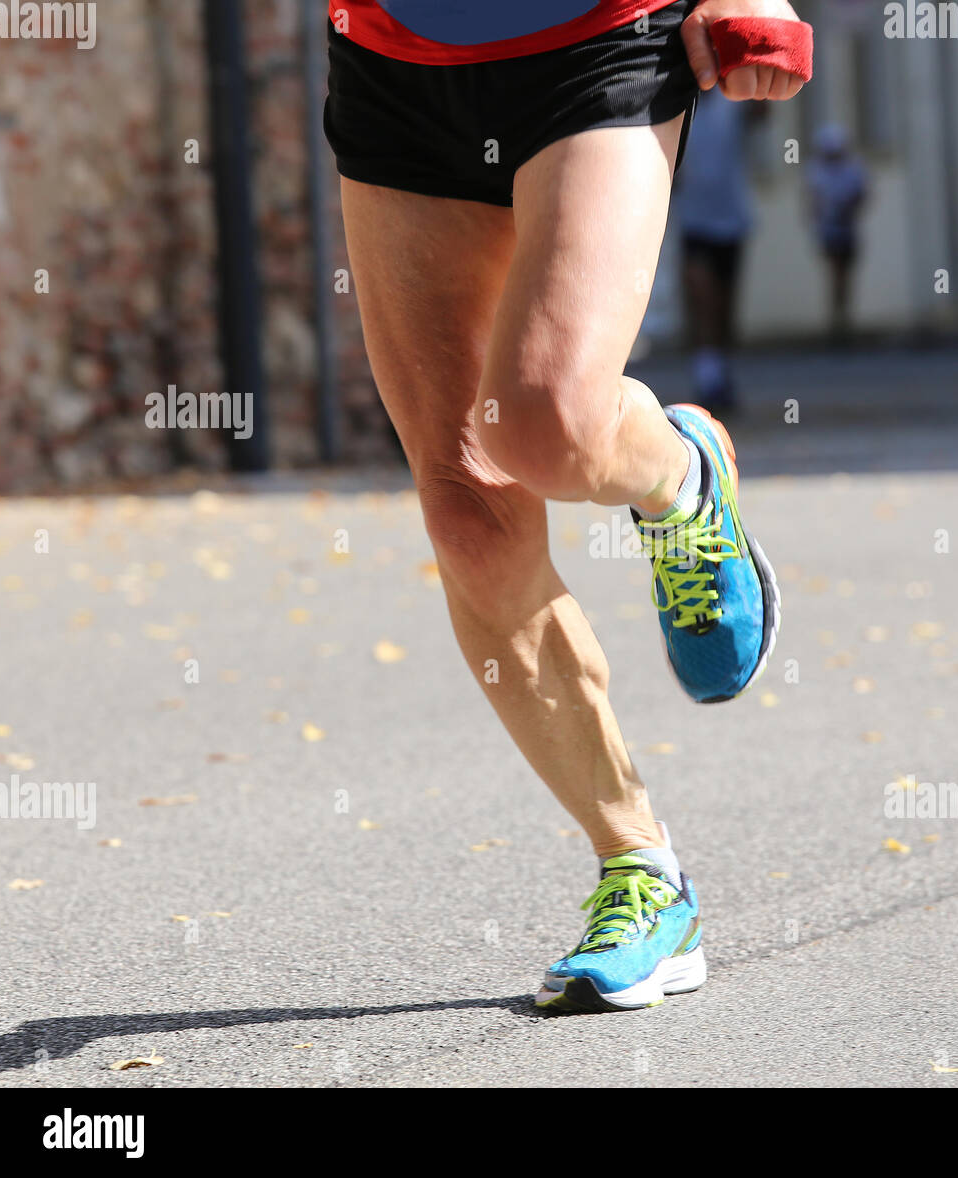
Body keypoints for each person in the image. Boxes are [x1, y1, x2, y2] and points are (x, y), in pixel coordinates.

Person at [323, 0, 810, 1012]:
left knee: (544, 419)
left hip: (595, 37)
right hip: (393, 56)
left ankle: (678, 479)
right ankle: (641, 870)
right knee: (465, 509)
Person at [672, 89, 761, 411]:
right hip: (694, 220)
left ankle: (720, 373)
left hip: (732, 218)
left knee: (725, 305)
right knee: (702, 296)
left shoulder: (734, 101)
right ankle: (706, 376)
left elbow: (762, 113)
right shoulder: (679, 106)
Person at [805, 124, 867, 339]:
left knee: (845, 274)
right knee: (835, 272)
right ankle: (837, 318)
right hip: (829, 229)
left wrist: (848, 207)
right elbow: (812, 200)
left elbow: (862, 194)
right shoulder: (817, 170)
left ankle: (843, 316)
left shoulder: (852, 168)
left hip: (846, 227)